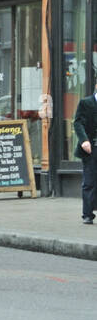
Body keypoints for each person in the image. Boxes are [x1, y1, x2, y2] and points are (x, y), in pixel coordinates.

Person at [73, 88, 97, 223]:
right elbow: (78, 123)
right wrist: (84, 140)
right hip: (91, 147)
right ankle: (87, 215)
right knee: (89, 181)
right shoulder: (85, 103)